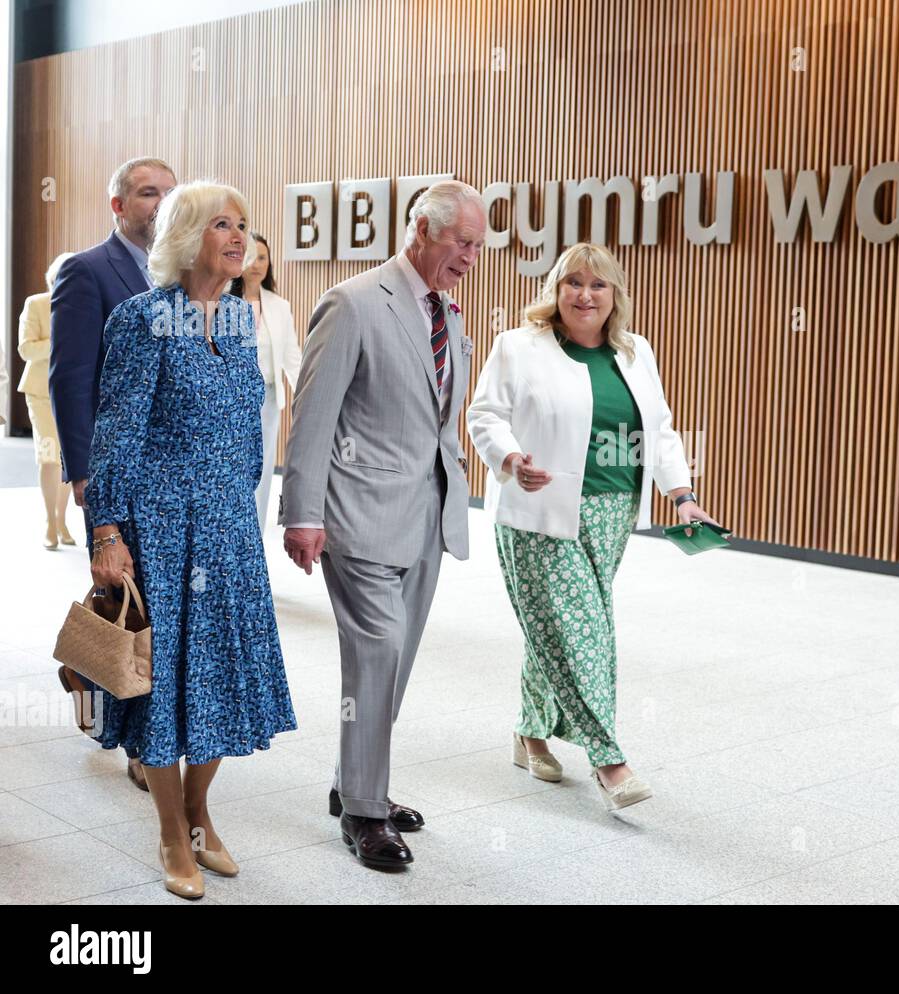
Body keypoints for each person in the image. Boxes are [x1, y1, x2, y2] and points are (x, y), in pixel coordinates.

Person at [85, 181, 297, 899]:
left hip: (230, 524)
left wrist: (247, 500)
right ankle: (172, 831)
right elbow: (116, 432)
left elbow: (248, 426)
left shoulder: (241, 320)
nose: (237, 237)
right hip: (160, 526)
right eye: (220, 226)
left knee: (225, 674)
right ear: (184, 237)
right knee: (164, 681)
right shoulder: (143, 319)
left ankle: (200, 812)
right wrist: (108, 532)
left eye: (242, 224)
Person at [467, 242, 720, 812]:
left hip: (612, 510)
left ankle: (530, 733)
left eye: (598, 285)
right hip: (538, 511)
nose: (585, 294)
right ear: (556, 291)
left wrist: (682, 495)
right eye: (573, 283)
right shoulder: (518, 347)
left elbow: (659, 431)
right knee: (584, 632)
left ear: (614, 296)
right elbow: (484, 415)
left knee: (560, 627)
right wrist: (509, 460)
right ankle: (609, 760)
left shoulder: (635, 352)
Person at [279, 180, 485, 870]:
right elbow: (313, 417)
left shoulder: (446, 312)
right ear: (422, 229)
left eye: (480, 246)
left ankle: (354, 782)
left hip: (428, 516)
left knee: (393, 662)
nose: (472, 258)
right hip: (358, 515)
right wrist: (303, 513)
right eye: (463, 242)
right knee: (376, 654)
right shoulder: (354, 303)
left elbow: (438, 417)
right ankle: (366, 814)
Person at [49, 155, 177, 791]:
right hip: (112, 469)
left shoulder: (181, 279)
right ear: (118, 206)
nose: (159, 204)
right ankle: (131, 736)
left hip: (173, 478)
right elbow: (70, 378)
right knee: (127, 599)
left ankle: (97, 684)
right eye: (147, 193)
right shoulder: (87, 270)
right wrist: (82, 475)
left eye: (169, 194)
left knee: (149, 603)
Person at [230, 233, 301, 533]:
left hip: (268, 400)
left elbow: (292, 357)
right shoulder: (221, 302)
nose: (257, 264)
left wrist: (309, 399)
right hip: (230, 400)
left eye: (263, 257)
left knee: (262, 469)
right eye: (251, 256)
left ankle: (254, 536)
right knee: (232, 469)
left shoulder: (279, 305)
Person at [17, 252, 76, 550]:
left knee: (67, 457)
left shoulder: (80, 306)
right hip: (40, 391)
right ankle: (49, 523)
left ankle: (62, 519)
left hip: (70, 391)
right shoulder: (35, 304)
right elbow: (25, 349)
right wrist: (58, 342)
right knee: (50, 454)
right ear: (53, 279)